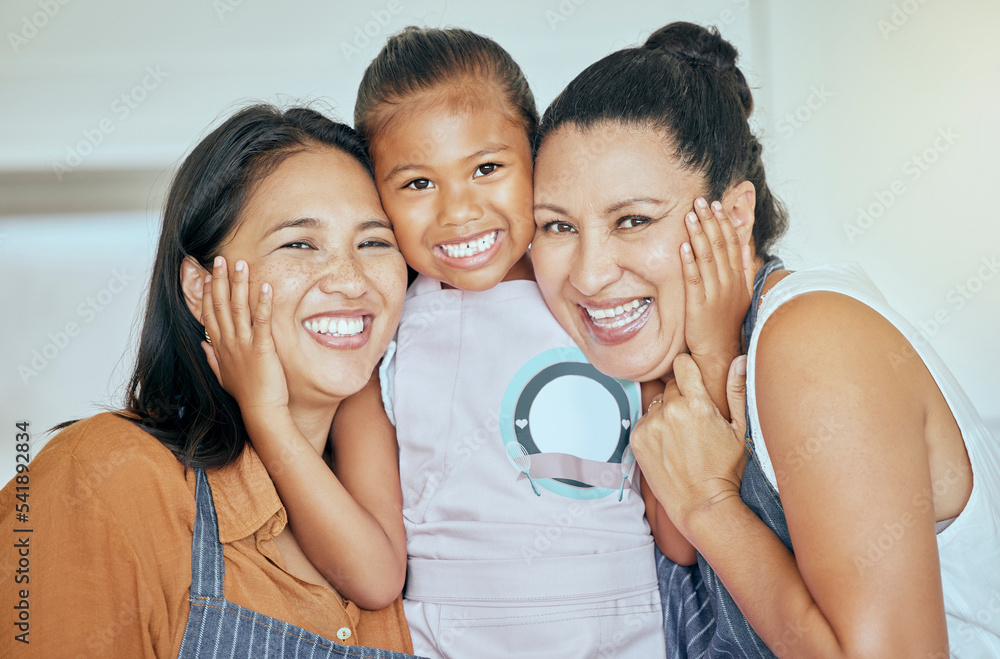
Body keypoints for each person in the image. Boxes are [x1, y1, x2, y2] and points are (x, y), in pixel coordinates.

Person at [207, 26, 750, 657]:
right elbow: (377, 575)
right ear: (376, 192)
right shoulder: (382, 341)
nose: (459, 211)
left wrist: (710, 343)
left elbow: (680, 541)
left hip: (626, 638)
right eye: (416, 184)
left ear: (537, 157)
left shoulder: (602, 307)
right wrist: (266, 418)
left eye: (487, 168)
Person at [530, 20, 1000, 657]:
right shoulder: (674, 357)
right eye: (557, 226)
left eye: (634, 219)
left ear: (735, 213)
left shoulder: (815, 342)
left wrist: (709, 504)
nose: (587, 273)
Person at [0, 105, 420, 658]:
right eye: (299, 243)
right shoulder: (102, 478)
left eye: (374, 242)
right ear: (200, 288)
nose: (350, 281)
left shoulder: (416, 499)